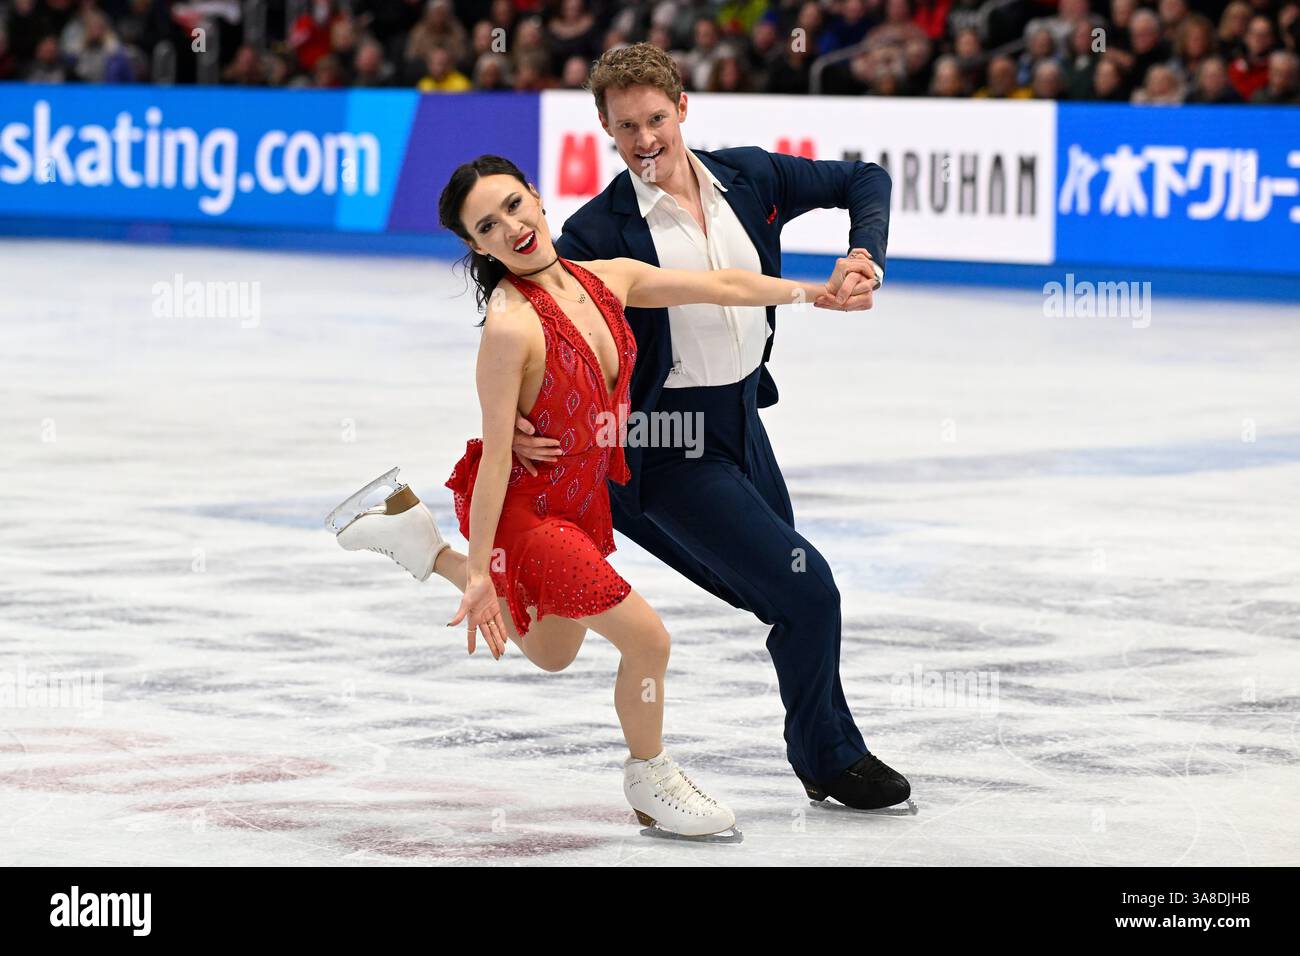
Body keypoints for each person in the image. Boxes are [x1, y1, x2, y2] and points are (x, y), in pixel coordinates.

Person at [326, 154, 857, 836]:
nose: (511, 226)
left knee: (552, 652)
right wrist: (488, 566)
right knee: (648, 641)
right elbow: (493, 460)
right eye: (488, 225)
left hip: (581, 504)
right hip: (527, 512)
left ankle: (422, 547)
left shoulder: (605, 278)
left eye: (514, 205)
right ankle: (652, 779)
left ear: (538, 200)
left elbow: (718, 284)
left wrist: (814, 292)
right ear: (477, 246)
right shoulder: (510, 327)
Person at [537, 43, 912, 811]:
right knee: (807, 592)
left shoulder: (750, 177)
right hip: (664, 447)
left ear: (681, 109)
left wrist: (865, 253)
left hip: (742, 419)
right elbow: (545, 327)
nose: (644, 140)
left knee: (792, 592)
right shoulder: (597, 230)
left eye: (654, 119)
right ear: (605, 131)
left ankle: (824, 749)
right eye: (624, 128)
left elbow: (862, 179)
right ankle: (831, 758)